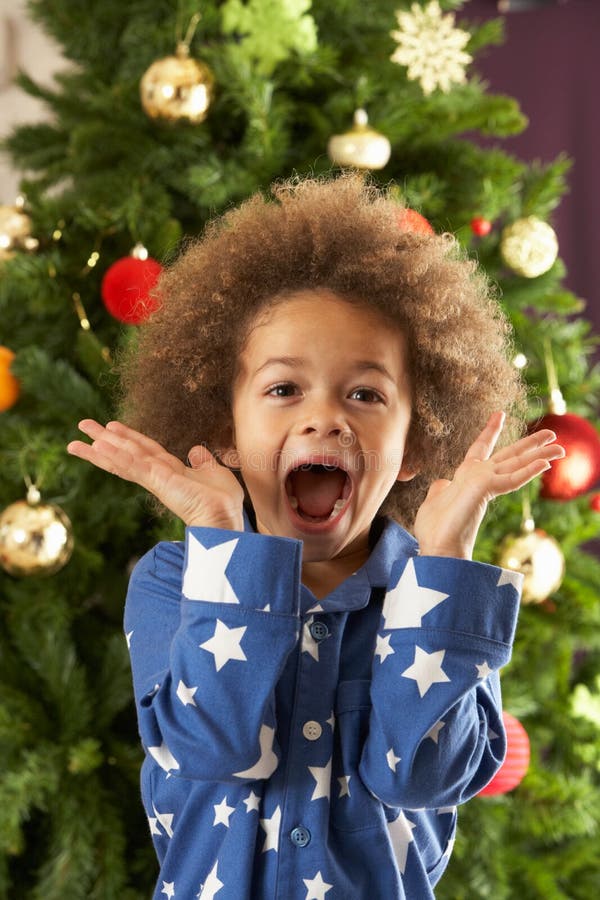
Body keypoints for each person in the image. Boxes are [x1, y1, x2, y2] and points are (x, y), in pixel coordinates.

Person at [67, 174, 564, 900]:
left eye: (365, 394)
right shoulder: (174, 580)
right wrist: (221, 542)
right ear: (223, 430)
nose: (325, 418)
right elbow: (214, 748)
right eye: (283, 389)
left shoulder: (442, 597)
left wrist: (446, 561)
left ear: (418, 443)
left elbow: (426, 776)